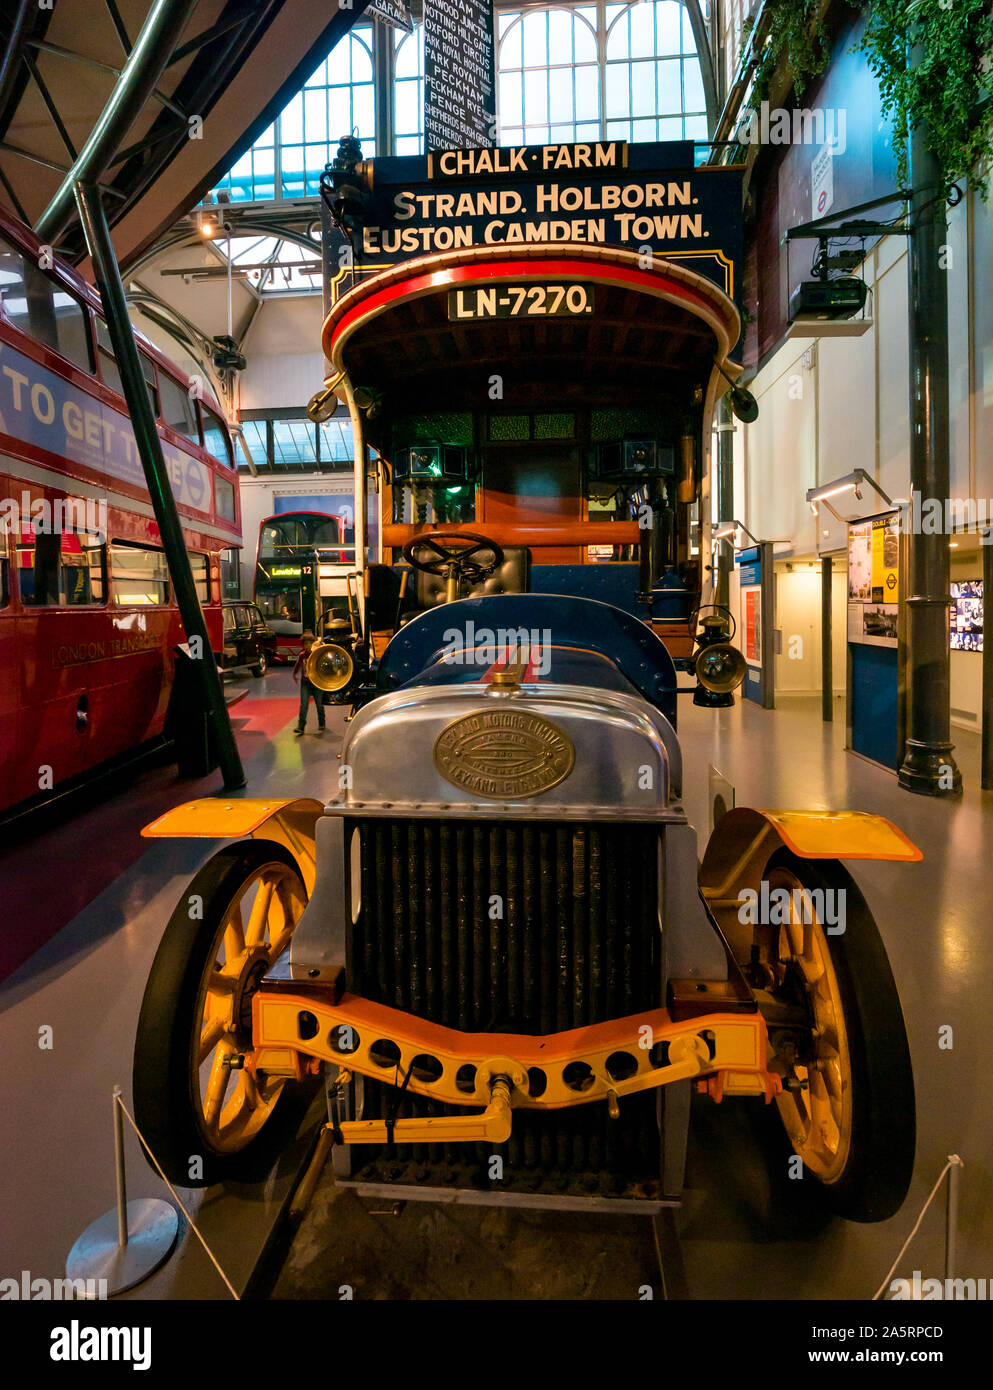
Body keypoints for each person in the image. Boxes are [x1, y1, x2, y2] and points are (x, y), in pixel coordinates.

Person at [292, 631, 325, 735]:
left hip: (316, 683)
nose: (308, 646)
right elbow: (298, 665)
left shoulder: (316, 654)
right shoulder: (302, 655)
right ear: (303, 645)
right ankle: (301, 726)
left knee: (319, 704)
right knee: (304, 704)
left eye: (310, 644)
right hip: (305, 683)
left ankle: (321, 722)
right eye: (305, 644)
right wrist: (294, 674)